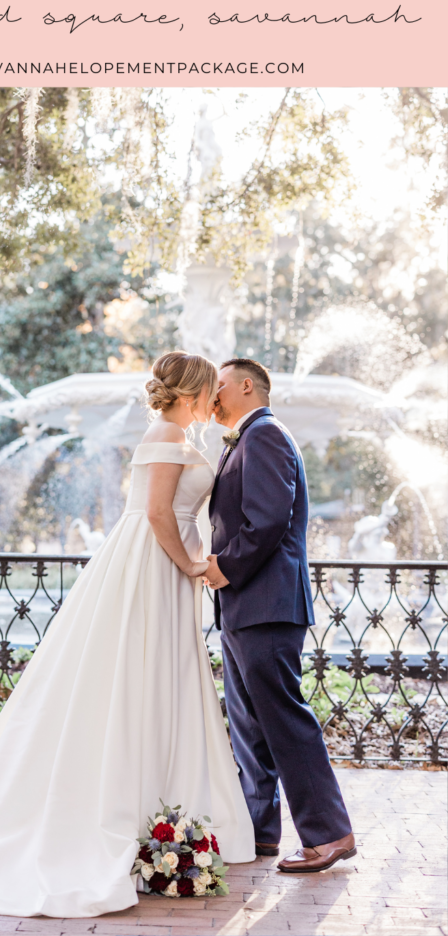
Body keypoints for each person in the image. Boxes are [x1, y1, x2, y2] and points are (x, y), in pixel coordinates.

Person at [0, 351, 255, 917]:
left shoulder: (181, 435)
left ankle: (165, 802)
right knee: (138, 670)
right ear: (191, 391)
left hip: (167, 566)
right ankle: (124, 808)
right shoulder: (164, 433)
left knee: (164, 675)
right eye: (209, 388)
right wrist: (190, 564)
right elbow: (157, 513)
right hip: (154, 563)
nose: (215, 398)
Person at [203, 357, 356, 874]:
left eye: (220, 386)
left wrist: (225, 567)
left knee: (285, 720)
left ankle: (329, 834)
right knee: (250, 724)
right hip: (244, 605)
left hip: (265, 603)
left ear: (247, 386)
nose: (213, 396)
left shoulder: (265, 434)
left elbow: (268, 520)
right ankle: (259, 830)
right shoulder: (245, 438)